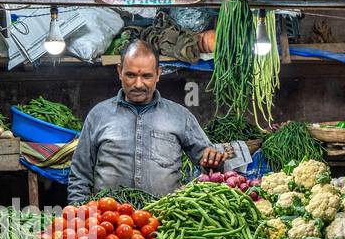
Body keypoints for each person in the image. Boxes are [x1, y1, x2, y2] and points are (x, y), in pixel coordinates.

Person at [67, 39, 226, 205]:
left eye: (146, 76)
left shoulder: (180, 116)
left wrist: (214, 162)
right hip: (109, 223)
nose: (138, 84)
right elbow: (79, 175)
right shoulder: (98, 115)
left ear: (158, 74)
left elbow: (210, 166)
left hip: (165, 222)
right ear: (120, 71)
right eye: (131, 75)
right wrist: (80, 217)